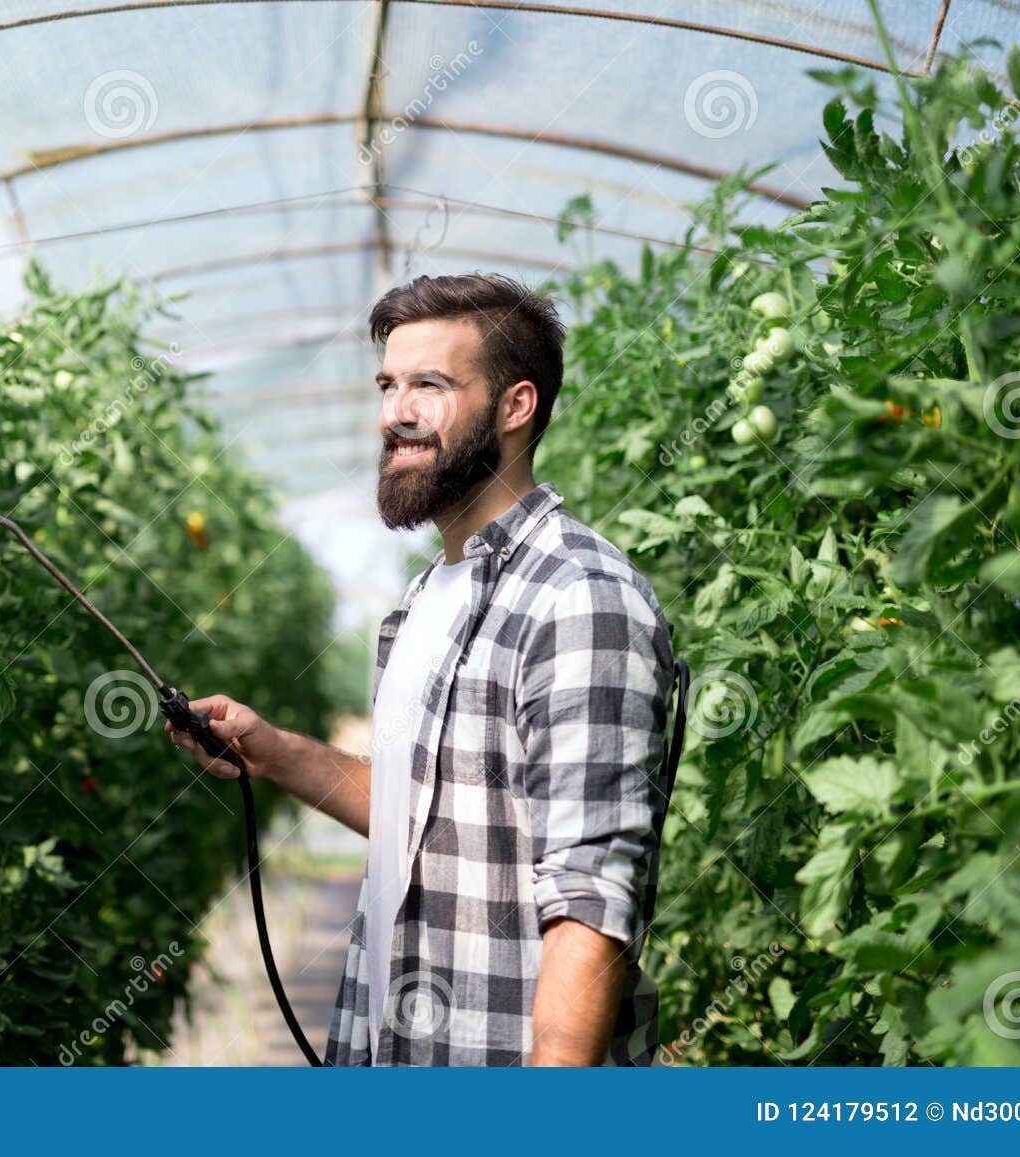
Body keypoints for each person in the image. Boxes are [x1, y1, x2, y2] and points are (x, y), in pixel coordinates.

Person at [169, 273, 674, 1066]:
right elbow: (427, 817)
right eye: (387, 384)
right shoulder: (422, 600)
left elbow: (590, 900)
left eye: (429, 385)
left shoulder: (579, 599)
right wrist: (278, 752)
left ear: (516, 407)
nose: (393, 412)